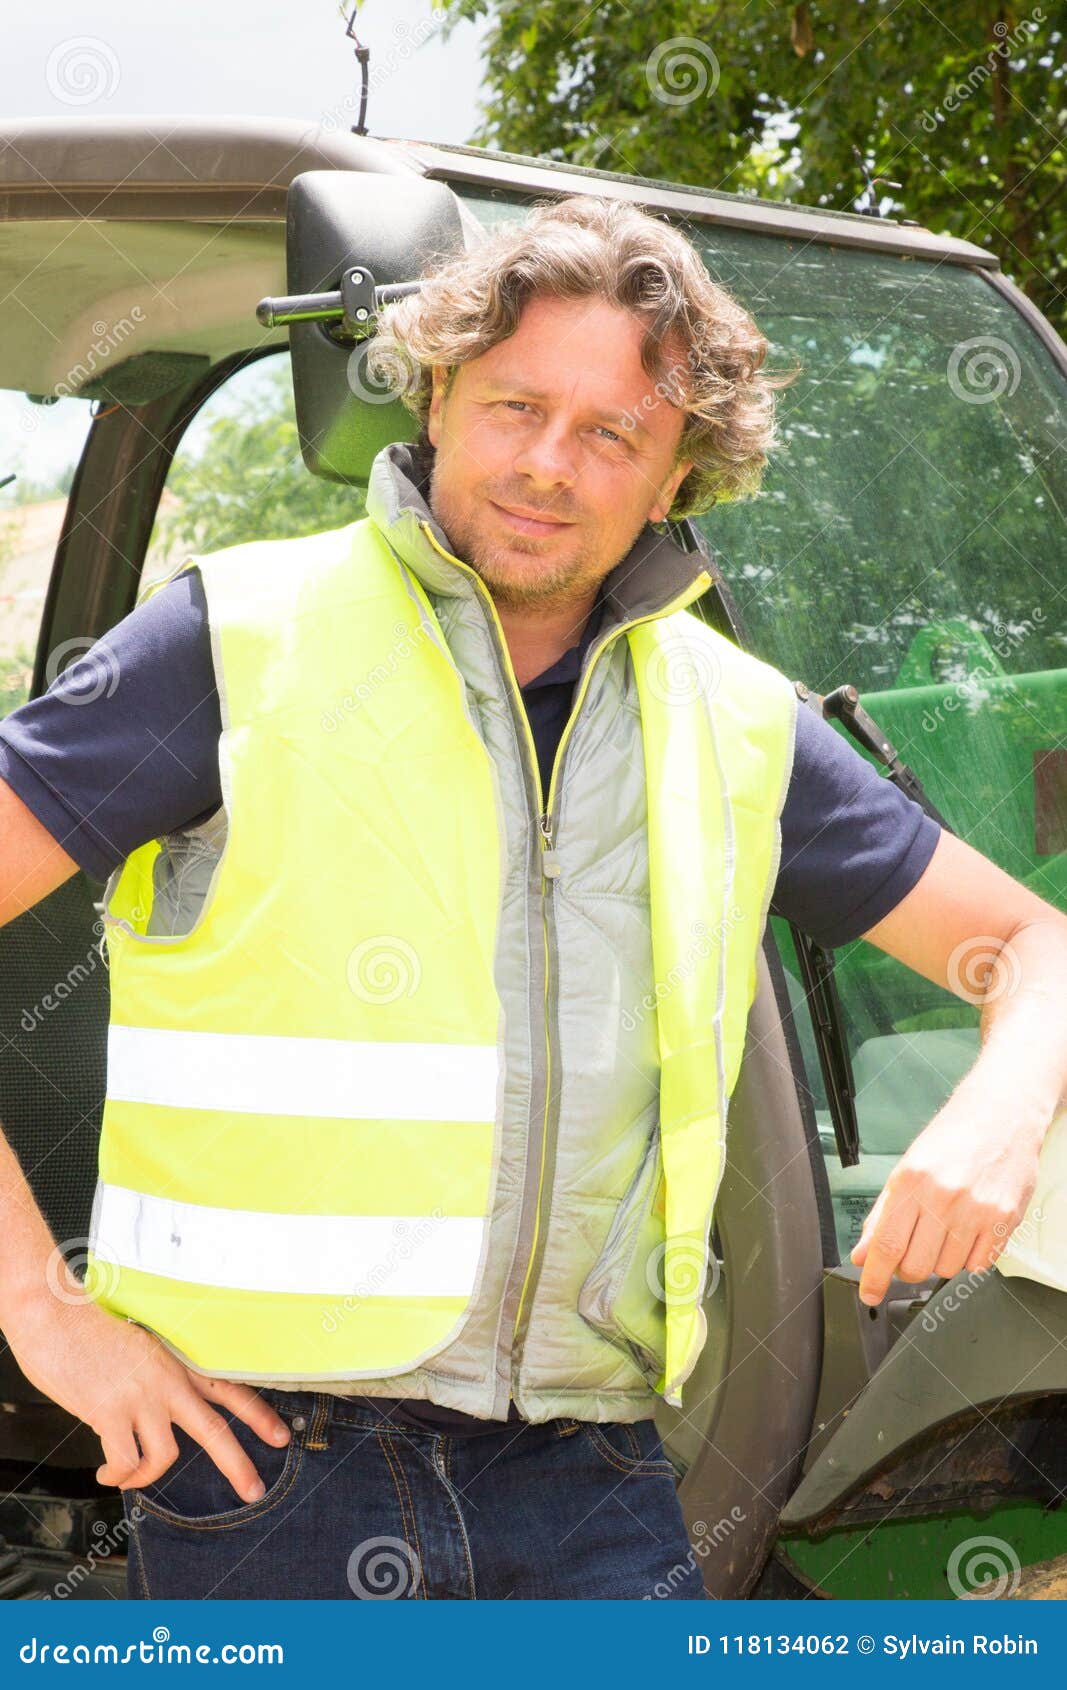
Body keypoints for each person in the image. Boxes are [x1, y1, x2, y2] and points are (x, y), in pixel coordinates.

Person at [1, 194, 1065, 1602]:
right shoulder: (234, 642)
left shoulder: (735, 718)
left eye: (613, 433)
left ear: (680, 472)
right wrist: (42, 1309)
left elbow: (1031, 942)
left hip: (589, 1467)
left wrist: (1001, 1105)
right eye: (514, 406)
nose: (548, 466)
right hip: (265, 1469)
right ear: (438, 393)